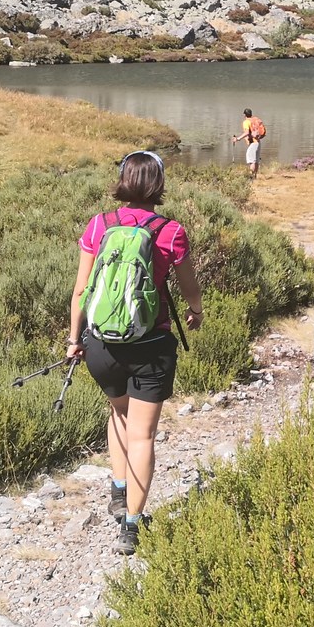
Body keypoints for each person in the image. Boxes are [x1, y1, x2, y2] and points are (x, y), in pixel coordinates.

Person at [66, 150, 203, 555]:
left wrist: (75, 340)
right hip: (151, 346)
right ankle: (131, 525)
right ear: (158, 184)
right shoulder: (170, 231)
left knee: (118, 413)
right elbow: (188, 284)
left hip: (101, 346)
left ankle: (118, 487)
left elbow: (80, 291)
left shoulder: (99, 225)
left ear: (123, 180)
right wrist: (195, 311)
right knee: (143, 434)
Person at [230, 107, 262, 179]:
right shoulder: (254, 120)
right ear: (251, 114)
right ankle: (254, 176)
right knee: (256, 160)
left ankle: (251, 177)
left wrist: (237, 139)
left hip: (253, 143)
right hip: (258, 142)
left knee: (251, 161)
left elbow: (247, 132)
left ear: (244, 115)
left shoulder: (246, 122)